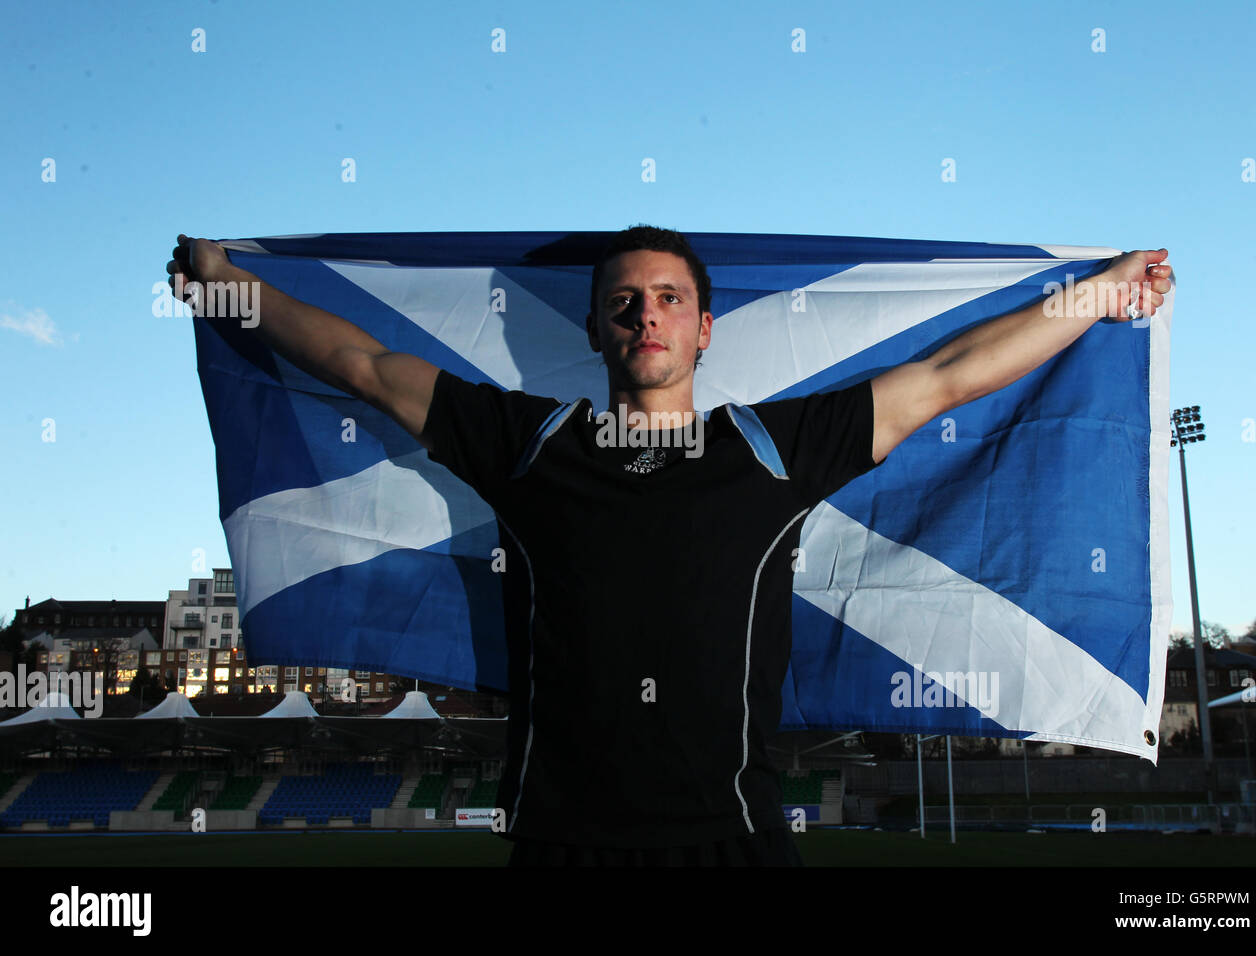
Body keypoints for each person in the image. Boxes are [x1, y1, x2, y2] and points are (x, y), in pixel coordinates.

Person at [166, 226, 1171, 865]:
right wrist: (223, 283)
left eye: (668, 299)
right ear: (601, 334)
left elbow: (949, 373)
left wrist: (1104, 291)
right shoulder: (529, 444)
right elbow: (363, 361)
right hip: (561, 843)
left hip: (733, 840)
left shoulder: (772, 450)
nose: (645, 313)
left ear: (702, 332)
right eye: (622, 302)